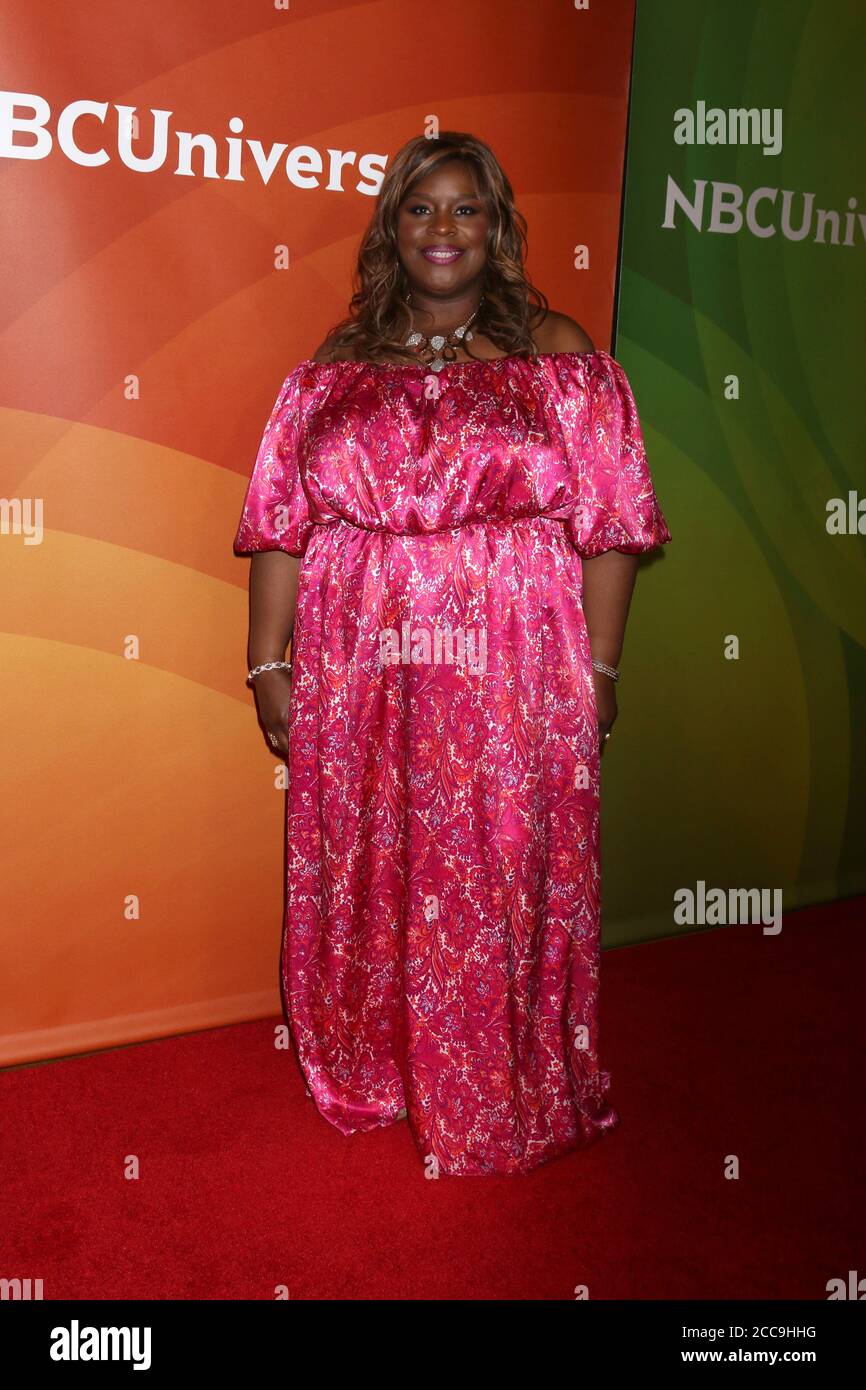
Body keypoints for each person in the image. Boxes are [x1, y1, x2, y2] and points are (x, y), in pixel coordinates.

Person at [233, 132, 671, 1176]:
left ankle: (490, 1075)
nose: (443, 229)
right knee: (372, 848)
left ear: (498, 227)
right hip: (357, 650)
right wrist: (265, 662)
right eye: (421, 208)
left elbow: (612, 525)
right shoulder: (337, 360)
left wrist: (599, 670)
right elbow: (280, 525)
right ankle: (374, 1062)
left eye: (465, 209)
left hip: (511, 652)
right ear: (391, 224)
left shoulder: (556, 349)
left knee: (491, 856)